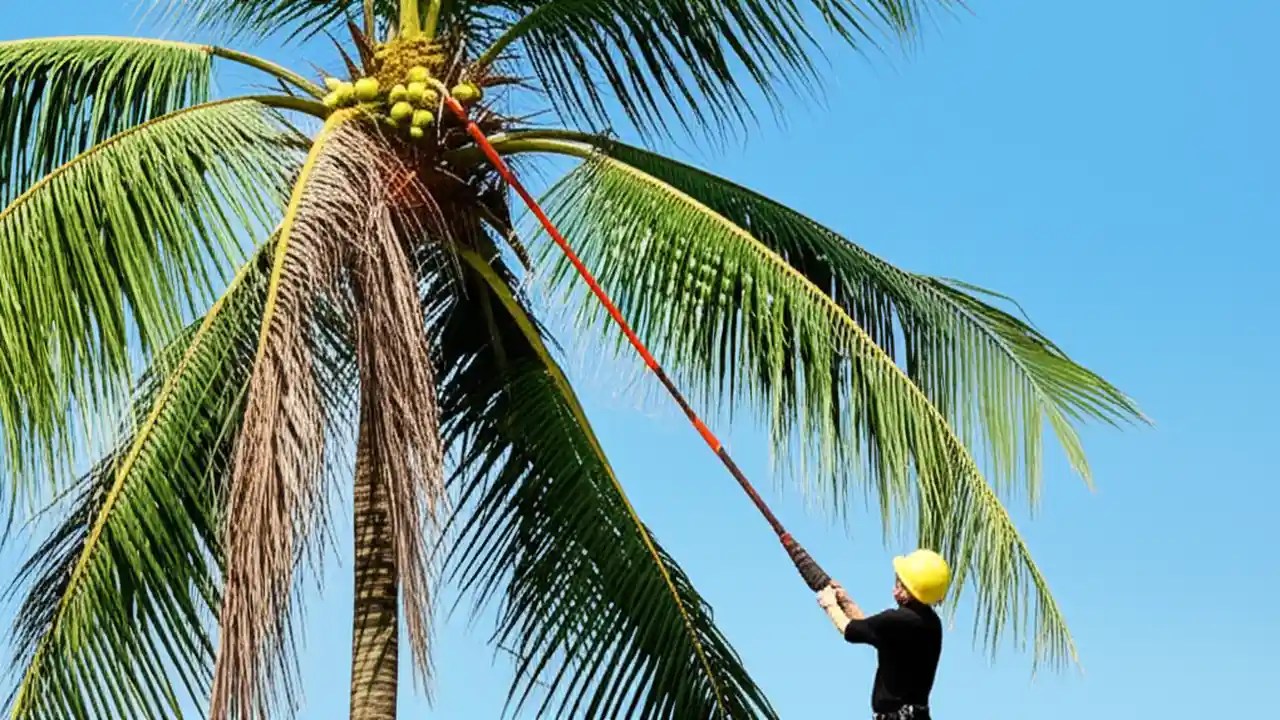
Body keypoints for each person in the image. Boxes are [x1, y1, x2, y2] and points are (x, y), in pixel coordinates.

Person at [816, 549, 951, 720]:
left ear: (909, 588)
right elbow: (871, 629)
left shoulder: (897, 620)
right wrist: (845, 600)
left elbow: (849, 629)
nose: (895, 584)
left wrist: (829, 604)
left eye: (899, 581)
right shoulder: (931, 624)